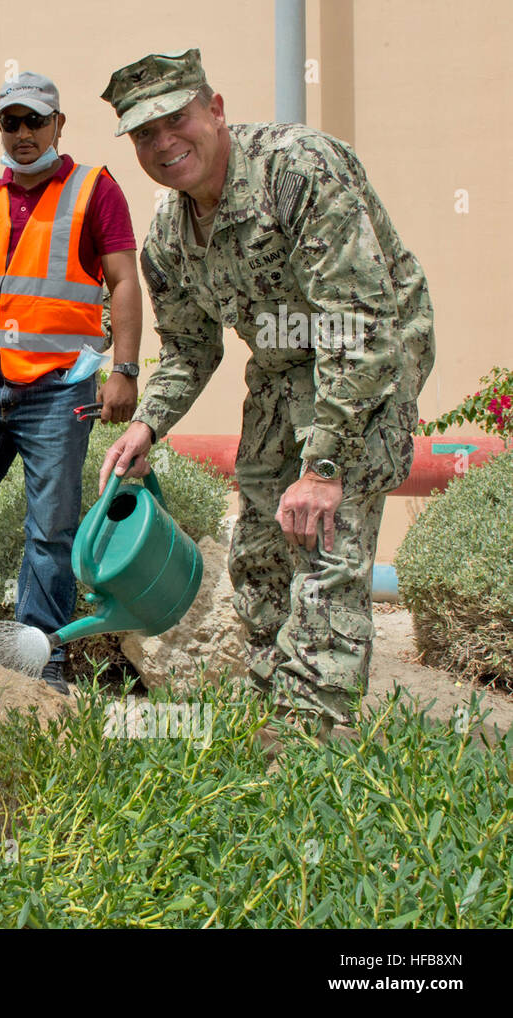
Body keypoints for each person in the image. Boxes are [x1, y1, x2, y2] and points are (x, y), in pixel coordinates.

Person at [98, 49, 435, 737]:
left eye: (176, 119)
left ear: (215, 110)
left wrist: (325, 468)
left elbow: (360, 326)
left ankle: (311, 748)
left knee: (323, 545)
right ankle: (269, 712)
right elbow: (192, 347)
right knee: (258, 551)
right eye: (143, 133)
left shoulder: (298, 169)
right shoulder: (169, 234)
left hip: (370, 360)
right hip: (283, 376)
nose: (163, 143)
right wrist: (149, 426)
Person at [0, 72, 142, 694]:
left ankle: (41, 666)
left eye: (34, 121)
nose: (22, 134)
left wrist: (123, 369)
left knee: (50, 530)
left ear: (58, 125)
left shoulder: (94, 189)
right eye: (10, 122)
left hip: (60, 388)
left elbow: (123, 280)